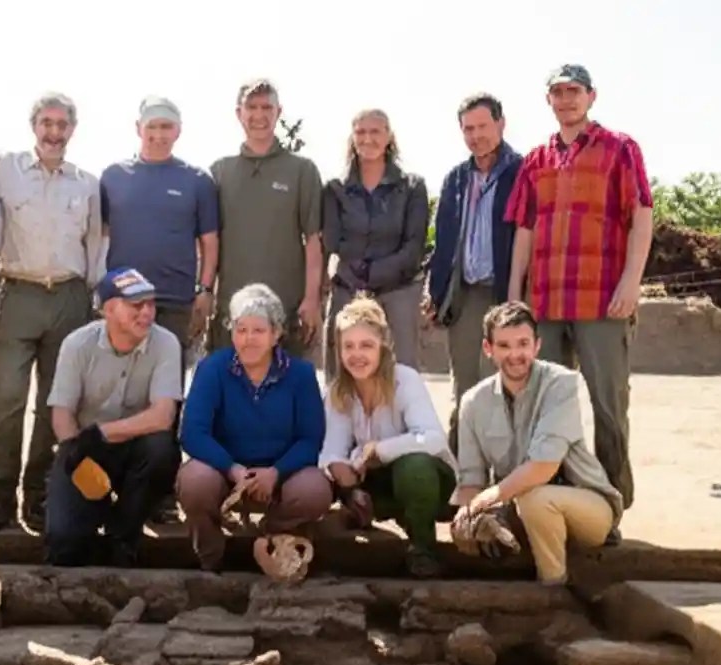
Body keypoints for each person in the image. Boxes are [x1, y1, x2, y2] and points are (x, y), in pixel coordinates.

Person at [505, 64, 653, 516]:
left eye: (574, 92)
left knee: (609, 407)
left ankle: (612, 505)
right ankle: (562, 501)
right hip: (547, 300)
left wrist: (632, 280)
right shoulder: (536, 160)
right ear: (547, 100)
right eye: (557, 92)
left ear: (591, 96)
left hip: (601, 301)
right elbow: (525, 229)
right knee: (549, 410)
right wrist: (515, 296)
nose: (566, 99)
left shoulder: (620, 149)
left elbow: (641, 215)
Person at [0, 92, 105, 533]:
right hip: (19, 293)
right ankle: (0, 496)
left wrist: (91, 298)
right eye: (46, 123)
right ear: (34, 126)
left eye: (61, 125)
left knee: (57, 402)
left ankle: (40, 494)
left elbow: (95, 243)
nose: (53, 132)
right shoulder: (3, 171)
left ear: (72, 129)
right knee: (6, 399)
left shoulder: (87, 183)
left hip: (69, 297)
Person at [100, 95, 219, 524]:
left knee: (167, 397)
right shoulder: (113, 176)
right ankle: (113, 490)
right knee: (119, 396)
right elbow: (98, 235)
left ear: (178, 131)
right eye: (151, 127)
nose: (158, 134)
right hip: (122, 305)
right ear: (138, 129)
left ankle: (161, 495)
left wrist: (205, 290)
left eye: (166, 127)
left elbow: (209, 241)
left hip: (174, 302)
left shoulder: (196, 180)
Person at [452, 301, 624, 586]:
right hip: (516, 506)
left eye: (523, 344)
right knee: (479, 521)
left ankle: (553, 588)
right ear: (488, 349)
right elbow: (471, 480)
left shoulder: (564, 384)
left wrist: (487, 498)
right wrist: (467, 516)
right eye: (504, 346)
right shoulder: (472, 402)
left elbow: (543, 467)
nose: (515, 354)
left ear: (537, 345)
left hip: (587, 507)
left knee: (535, 497)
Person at [176, 283, 332, 573]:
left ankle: (270, 535)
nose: (248, 339)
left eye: (258, 331)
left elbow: (310, 440)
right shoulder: (212, 369)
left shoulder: (301, 374)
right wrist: (231, 468)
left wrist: (276, 472)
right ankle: (211, 556)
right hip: (225, 470)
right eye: (241, 329)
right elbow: (192, 433)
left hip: (282, 473)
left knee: (315, 490)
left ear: (276, 334)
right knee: (194, 481)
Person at [41, 267, 184, 567]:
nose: (147, 312)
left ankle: (125, 536)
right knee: (63, 546)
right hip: (86, 451)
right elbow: (62, 413)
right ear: (108, 309)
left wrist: (102, 433)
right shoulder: (77, 344)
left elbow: (163, 416)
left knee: (161, 450)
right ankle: (95, 525)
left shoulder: (167, 343)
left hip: (136, 451)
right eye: (136, 305)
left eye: (151, 304)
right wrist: (77, 453)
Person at [319, 295, 457, 578]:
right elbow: (331, 449)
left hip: (427, 479)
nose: (357, 355)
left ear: (383, 345)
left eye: (366, 345)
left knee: (414, 466)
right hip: (375, 478)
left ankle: (423, 550)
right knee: (333, 484)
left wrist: (378, 450)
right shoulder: (337, 392)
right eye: (349, 346)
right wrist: (342, 474)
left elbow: (432, 439)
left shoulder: (405, 379)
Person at [424, 93, 524, 449]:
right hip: (463, 296)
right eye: (468, 128)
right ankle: (462, 481)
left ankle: (504, 489)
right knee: (465, 390)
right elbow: (443, 245)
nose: (476, 135)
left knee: (503, 389)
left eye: (483, 126)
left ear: (501, 124)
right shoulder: (456, 179)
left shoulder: (523, 173)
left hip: (504, 296)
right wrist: (433, 294)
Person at [208, 78, 324, 359]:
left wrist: (311, 299)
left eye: (266, 107)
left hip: (287, 310)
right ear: (239, 113)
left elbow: (314, 240)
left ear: (278, 112)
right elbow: (208, 243)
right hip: (231, 312)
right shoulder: (219, 172)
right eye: (251, 107)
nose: (258, 115)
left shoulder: (302, 170)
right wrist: (205, 293)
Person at [322, 108, 430, 372]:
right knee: (339, 373)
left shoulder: (412, 187)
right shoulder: (335, 188)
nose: (367, 139)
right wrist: (357, 275)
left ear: (389, 136)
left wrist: (375, 272)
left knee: (402, 373)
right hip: (348, 288)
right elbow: (332, 240)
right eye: (360, 132)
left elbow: (414, 247)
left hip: (399, 289)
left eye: (375, 131)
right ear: (352, 137)